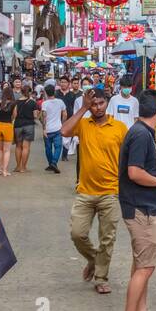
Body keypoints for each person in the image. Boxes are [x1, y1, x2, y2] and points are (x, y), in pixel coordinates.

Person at [116, 89, 156, 311]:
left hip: (142, 206)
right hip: (141, 208)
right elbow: (135, 172)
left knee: (141, 263)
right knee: (146, 266)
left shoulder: (142, 133)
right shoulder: (140, 135)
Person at [62, 87, 129, 295]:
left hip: (111, 191)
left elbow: (126, 159)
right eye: (93, 104)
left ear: (107, 102)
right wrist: (83, 107)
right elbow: (64, 131)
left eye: (100, 103)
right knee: (77, 234)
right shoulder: (83, 124)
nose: (97, 108)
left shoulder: (119, 128)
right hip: (85, 192)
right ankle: (93, 260)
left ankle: (101, 277)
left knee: (107, 237)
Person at [40, 82, 68, 174]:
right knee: (58, 147)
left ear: (46, 93)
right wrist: (63, 124)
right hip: (58, 128)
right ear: (54, 92)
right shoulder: (60, 102)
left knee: (48, 148)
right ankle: (54, 162)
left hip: (48, 129)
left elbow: (44, 116)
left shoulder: (45, 103)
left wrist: (44, 129)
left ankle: (51, 163)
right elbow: (65, 114)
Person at [13, 84, 37, 173]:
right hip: (29, 125)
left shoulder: (16, 102)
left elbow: (14, 115)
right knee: (26, 147)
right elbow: (35, 116)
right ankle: (23, 167)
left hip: (18, 125)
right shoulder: (33, 103)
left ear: (21, 92)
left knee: (18, 146)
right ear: (30, 92)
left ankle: (17, 166)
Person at [0, 84, 16, 177]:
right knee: (7, 150)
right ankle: (5, 171)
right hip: (8, 126)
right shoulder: (14, 104)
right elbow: (14, 115)